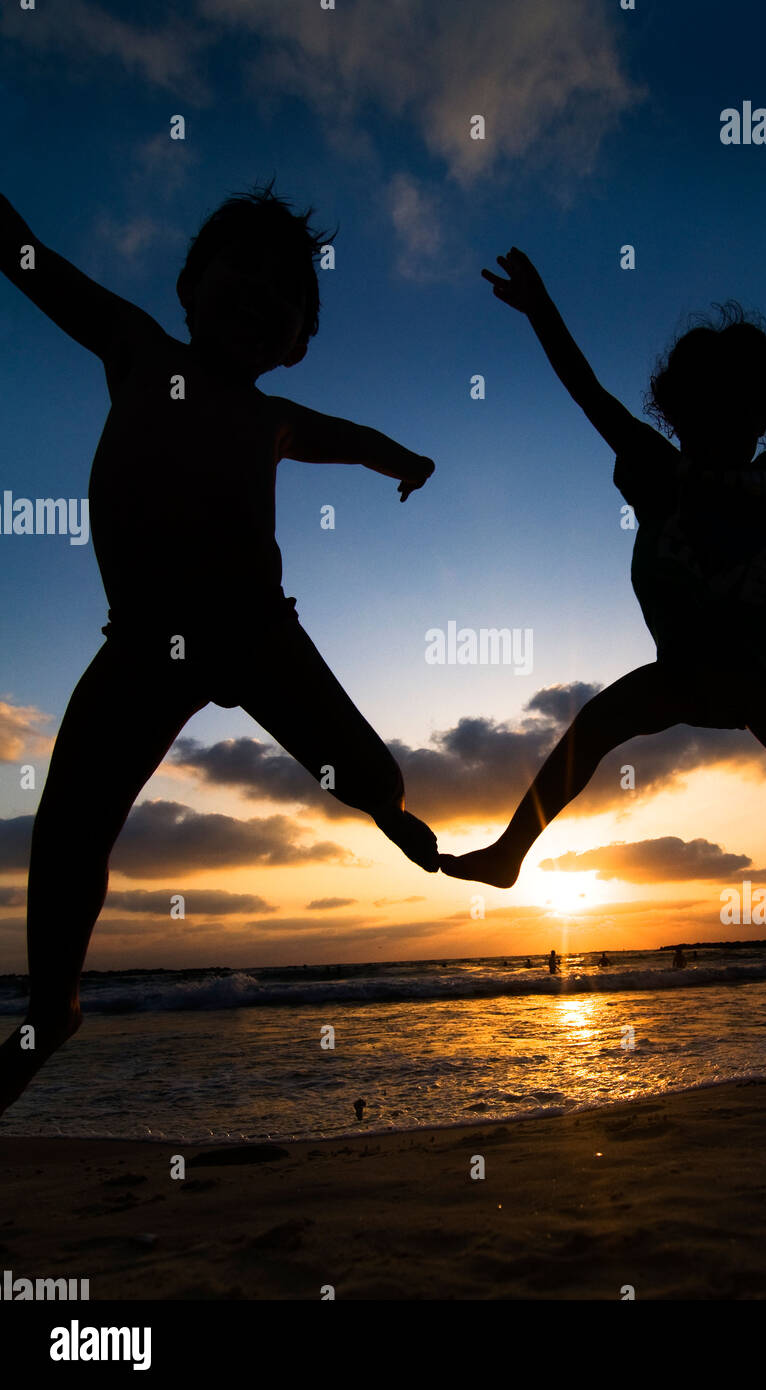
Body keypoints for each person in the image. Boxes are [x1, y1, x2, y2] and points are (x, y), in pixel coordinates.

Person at [0, 183, 439, 1116]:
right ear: (189, 285)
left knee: (366, 769)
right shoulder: (137, 348)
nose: (258, 291)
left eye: (286, 288)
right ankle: (53, 1004)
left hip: (257, 635)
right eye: (240, 267)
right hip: (142, 647)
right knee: (70, 826)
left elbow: (345, 434)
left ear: (298, 342)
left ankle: (390, 814)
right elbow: (37, 266)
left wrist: (401, 459)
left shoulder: (269, 416)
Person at [441, 247, 766, 1034]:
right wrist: (541, 309)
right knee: (592, 728)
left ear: (764, 415)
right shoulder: (653, 464)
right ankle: (512, 850)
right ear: (681, 413)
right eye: (713, 413)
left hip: (759, 681)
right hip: (676, 673)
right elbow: (586, 391)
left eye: (747, 413)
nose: (732, 429)